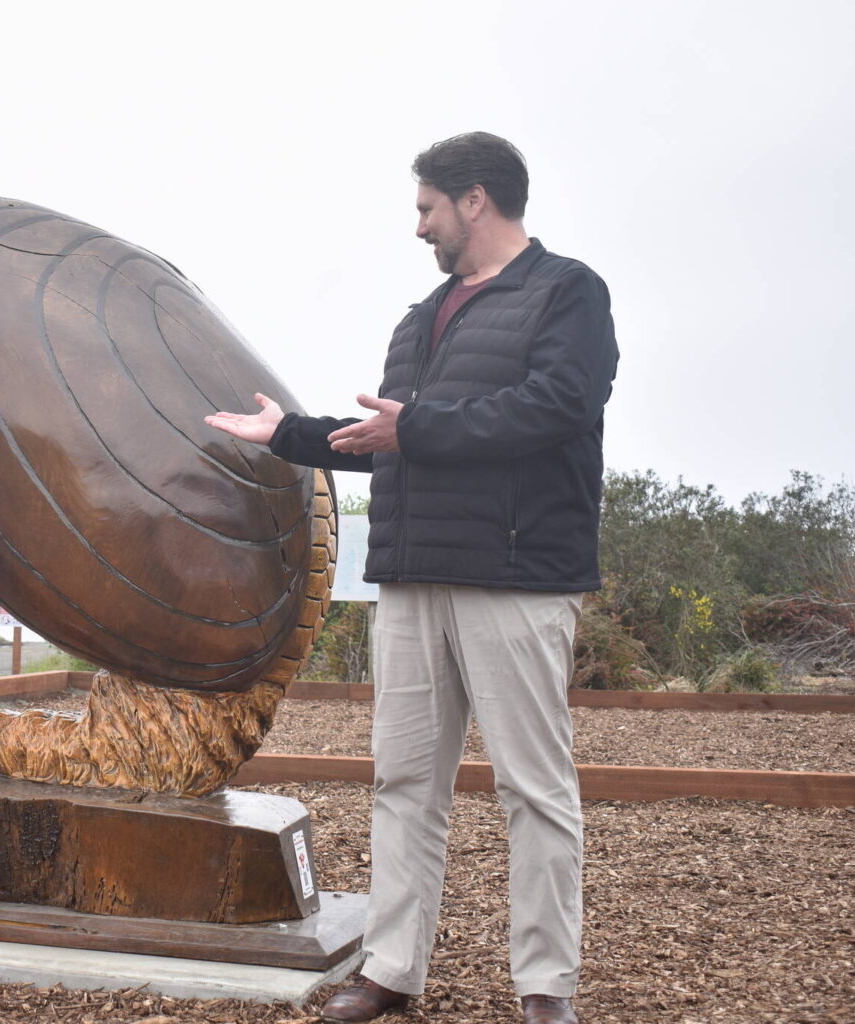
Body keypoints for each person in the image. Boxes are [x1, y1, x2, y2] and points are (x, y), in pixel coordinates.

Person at [206, 133, 616, 1024]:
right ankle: (392, 971)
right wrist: (288, 434)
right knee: (403, 785)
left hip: (515, 577)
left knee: (533, 790)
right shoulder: (417, 319)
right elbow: (387, 436)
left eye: (427, 206)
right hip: (410, 574)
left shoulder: (568, 292)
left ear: (475, 200)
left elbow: (558, 405)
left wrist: (418, 428)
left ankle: (546, 988)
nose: (418, 224)